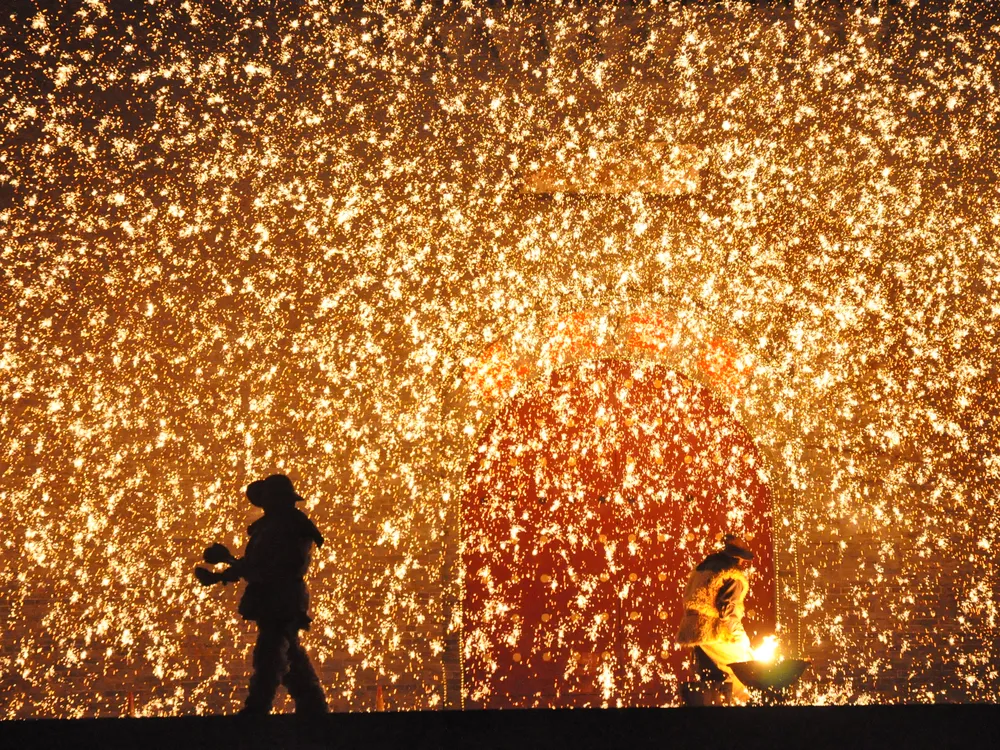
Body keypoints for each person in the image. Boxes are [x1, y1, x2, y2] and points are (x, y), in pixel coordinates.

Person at [195, 474, 328, 716]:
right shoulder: (276, 526)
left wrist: (243, 570)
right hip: (277, 598)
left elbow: (281, 565)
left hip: (282, 598)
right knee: (289, 654)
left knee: (269, 653)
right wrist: (222, 575)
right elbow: (256, 563)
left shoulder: (289, 527)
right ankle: (313, 704)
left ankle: (258, 707)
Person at [676, 533, 756, 700]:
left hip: (694, 632)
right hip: (716, 632)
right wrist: (740, 639)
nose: (743, 564)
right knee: (746, 675)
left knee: (711, 684)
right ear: (737, 558)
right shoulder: (733, 575)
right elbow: (727, 612)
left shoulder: (702, 568)